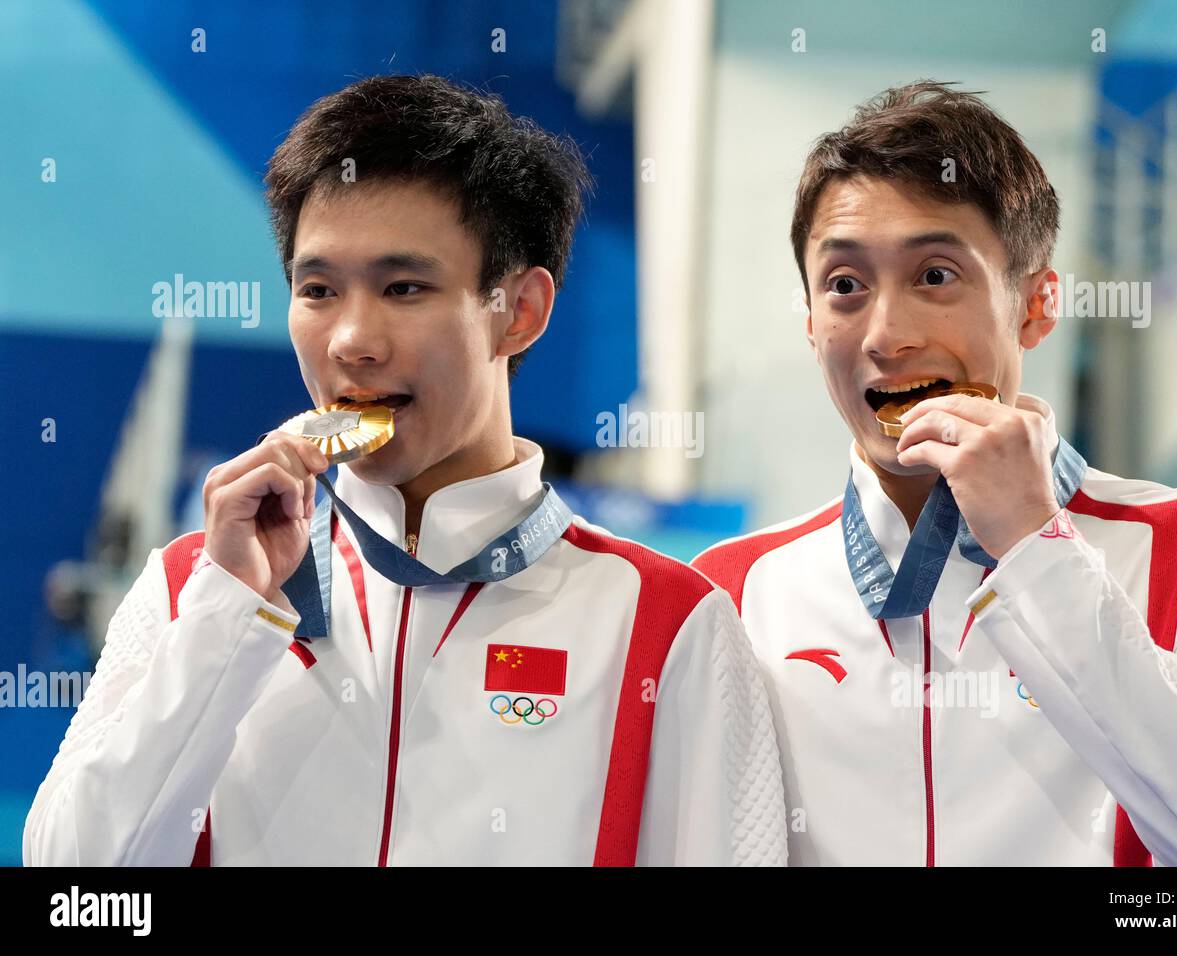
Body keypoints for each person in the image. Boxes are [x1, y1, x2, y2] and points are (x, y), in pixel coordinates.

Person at [25, 75, 786, 866]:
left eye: (404, 288)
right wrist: (226, 620)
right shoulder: (193, 587)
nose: (352, 338)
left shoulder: (669, 626)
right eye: (317, 289)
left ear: (518, 311)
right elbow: (78, 889)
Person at [693, 81, 1177, 866]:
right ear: (811, 322)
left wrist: (1036, 548)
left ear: (1036, 304)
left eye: (935, 275)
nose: (886, 335)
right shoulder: (733, 590)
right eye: (845, 286)